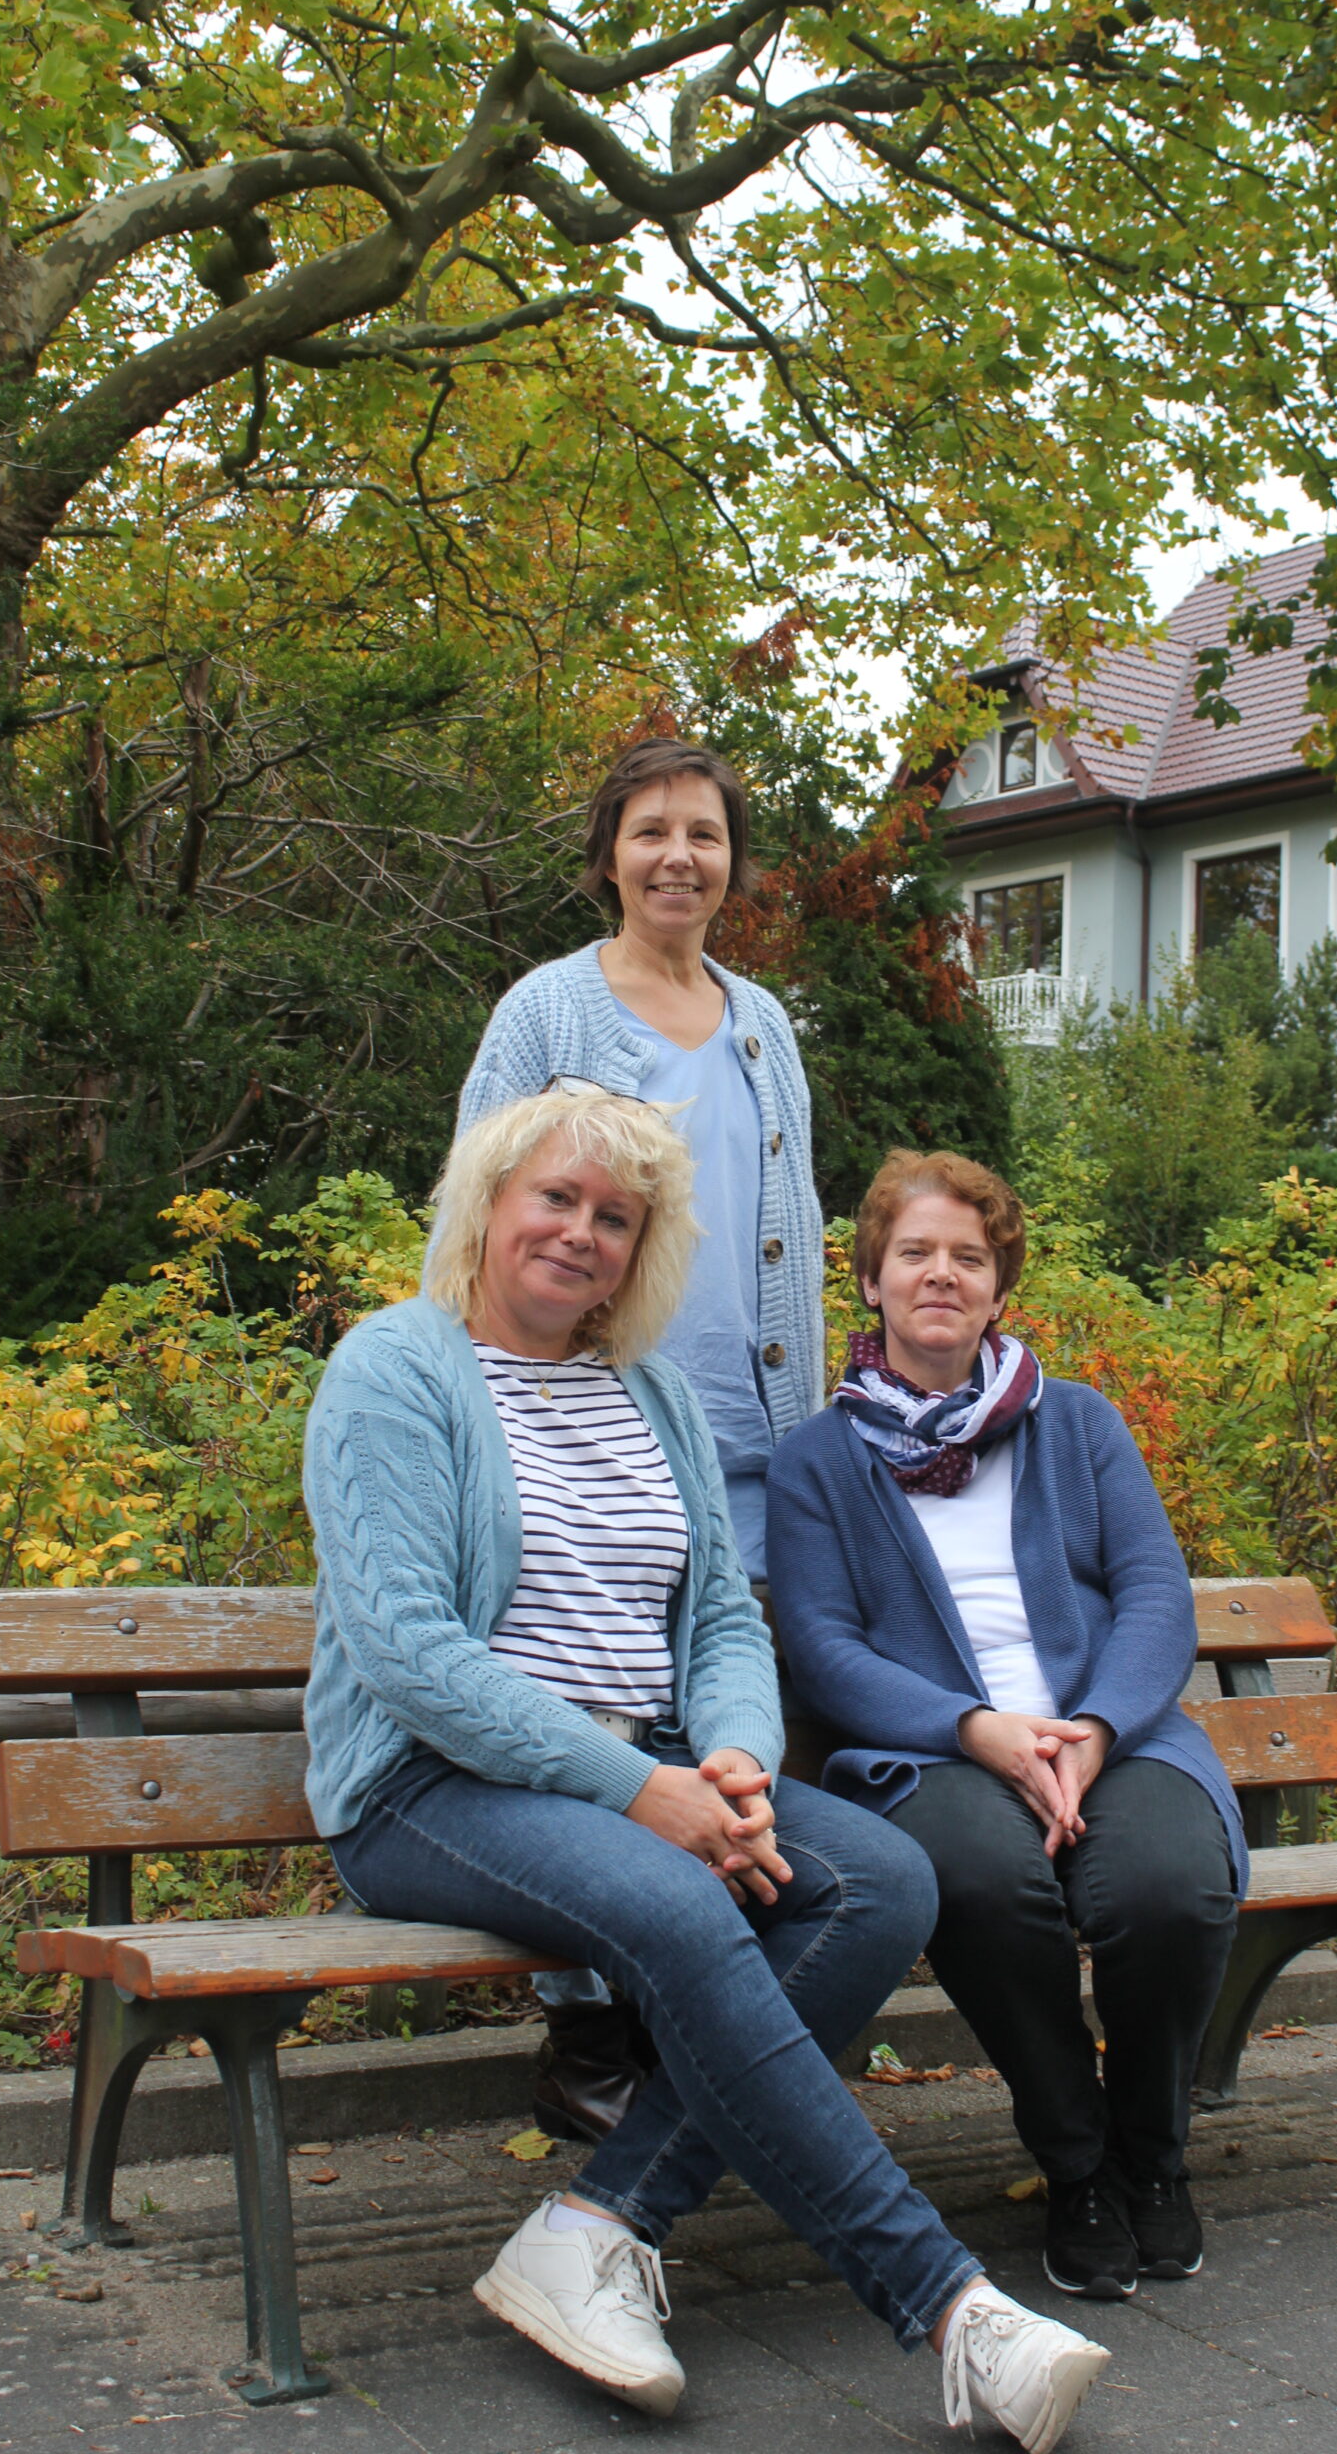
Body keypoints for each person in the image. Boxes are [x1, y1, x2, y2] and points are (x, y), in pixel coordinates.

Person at [303, 1089, 1110, 2452]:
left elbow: (722, 1619)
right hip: (429, 1787)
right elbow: (410, 1655)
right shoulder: (396, 1368)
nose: (580, 1234)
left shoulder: (652, 1392)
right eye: (554, 1199)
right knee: (682, 1909)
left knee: (877, 1880)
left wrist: (728, 1758)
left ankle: (599, 2222)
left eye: (614, 1218)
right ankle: (950, 2312)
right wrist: (639, 1796)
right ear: (488, 1207)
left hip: (655, 1768)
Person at [766, 1149, 1245, 2306]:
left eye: (968, 1257)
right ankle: (1076, 2165)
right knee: (982, 1883)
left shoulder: (1076, 1424)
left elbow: (1153, 1592)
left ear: (998, 1285)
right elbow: (824, 1647)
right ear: (871, 1279)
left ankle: (1152, 2154)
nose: (942, 1274)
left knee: (1167, 1886)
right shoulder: (818, 1461)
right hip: (934, 1751)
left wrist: (1091, 1726)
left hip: (1109, 1736)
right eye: (915, 1253)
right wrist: (975, 1728)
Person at [454, 734, 821, 2135]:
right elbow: (483, 1200)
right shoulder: (549, 1012)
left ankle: (703, 1995)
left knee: (713, 1700)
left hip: (755, 1428)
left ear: (731, 863)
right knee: (587, 1684)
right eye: (652, 831)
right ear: (609, 852)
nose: (680, 856)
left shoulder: (762, 1021)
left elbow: (793, 1231)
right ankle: (585, 2024)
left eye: (705, 835)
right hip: (586, 1413)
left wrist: (814, 1426)